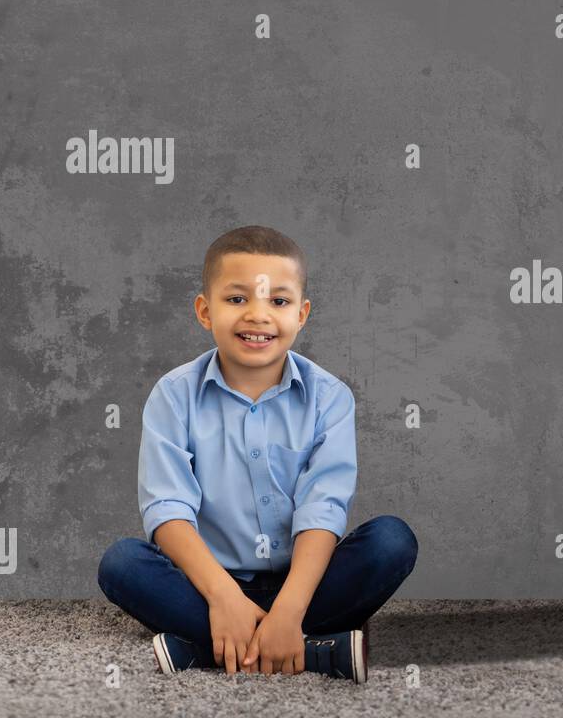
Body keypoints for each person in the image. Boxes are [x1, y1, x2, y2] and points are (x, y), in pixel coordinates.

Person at [97, 225, 418, 679]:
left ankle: (211, 648)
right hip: (210, 584)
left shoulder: (330, 397)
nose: (258, 316)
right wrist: (225, 598)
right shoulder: (173, 395)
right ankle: (314, 650)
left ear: (302, 314)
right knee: (122, 564)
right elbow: (167, 509)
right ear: (204, 312)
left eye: (279, 301)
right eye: (237, 299)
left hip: (306, 583)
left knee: (391, 541)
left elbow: (322, 508)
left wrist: (288, 608)